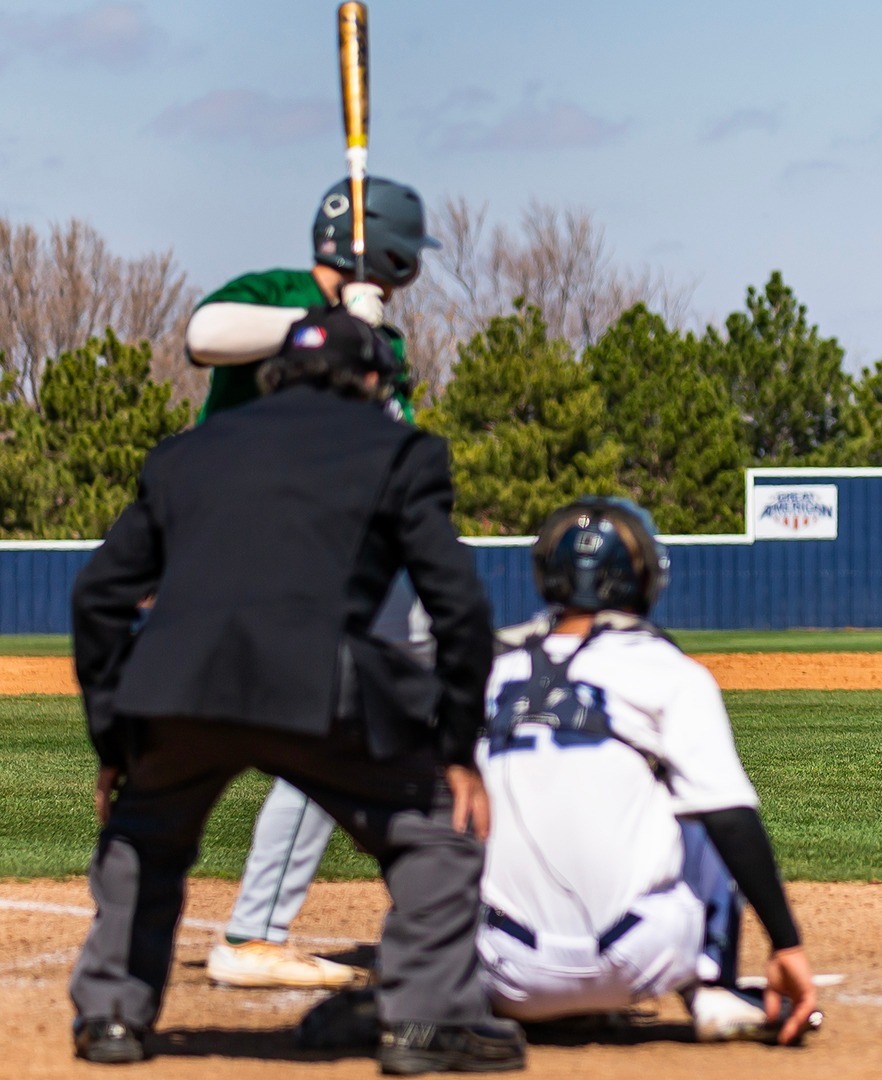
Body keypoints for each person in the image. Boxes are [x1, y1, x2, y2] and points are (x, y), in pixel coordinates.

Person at [68, 304, 524, 1072]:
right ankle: (425, 1023)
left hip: (176, 686)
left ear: (276, 376)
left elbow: (98, 597)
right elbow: (459, 608)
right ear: (371, 380)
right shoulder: (399, 449)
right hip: (317, 680)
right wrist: (455, 749)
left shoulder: (187, 453)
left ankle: (111, 1018)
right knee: (435, 834)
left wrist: (116, 742)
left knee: (143, 836)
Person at [185, 176, 440, 991]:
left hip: (355, 551)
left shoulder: (383, 339)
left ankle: (456, 902)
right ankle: (255, 934)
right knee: (335, 721)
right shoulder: (278, 292)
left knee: (429, 693)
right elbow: (204, 334)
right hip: (279, 548)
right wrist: (321, 324)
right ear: (390, 251)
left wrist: (363, 339)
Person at [477, 497, 819, 1045]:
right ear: (642, 578)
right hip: (640, 955)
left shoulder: (486, 672)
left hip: (499, 972)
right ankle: (712, 988)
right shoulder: (668, 670)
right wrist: (787, 944)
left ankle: (424, 988)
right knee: (702, 801)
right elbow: (730, 818)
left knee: (455, 802)